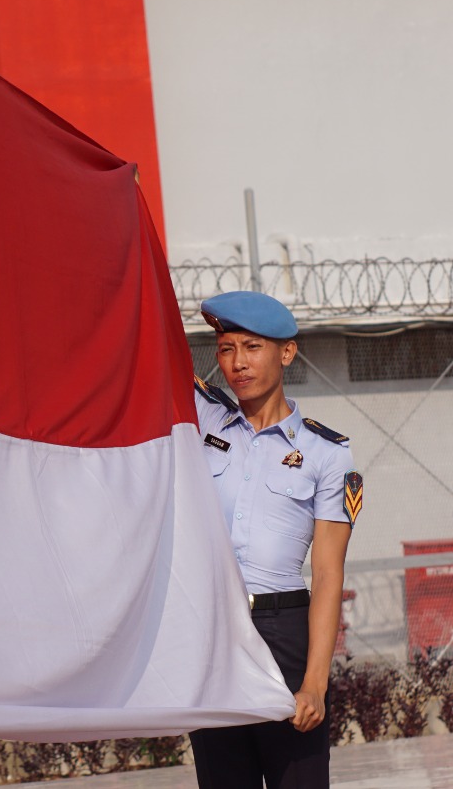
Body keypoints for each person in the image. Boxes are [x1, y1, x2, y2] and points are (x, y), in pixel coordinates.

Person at [188, 291, 359, 789]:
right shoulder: (203, 417)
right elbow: (149, 347)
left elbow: (328, 575)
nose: (237, 363)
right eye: (225, 349)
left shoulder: (326, 455)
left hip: (285, 631)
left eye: (252, 347)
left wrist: (315, 682)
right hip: (216, 631)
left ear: (287, 352)